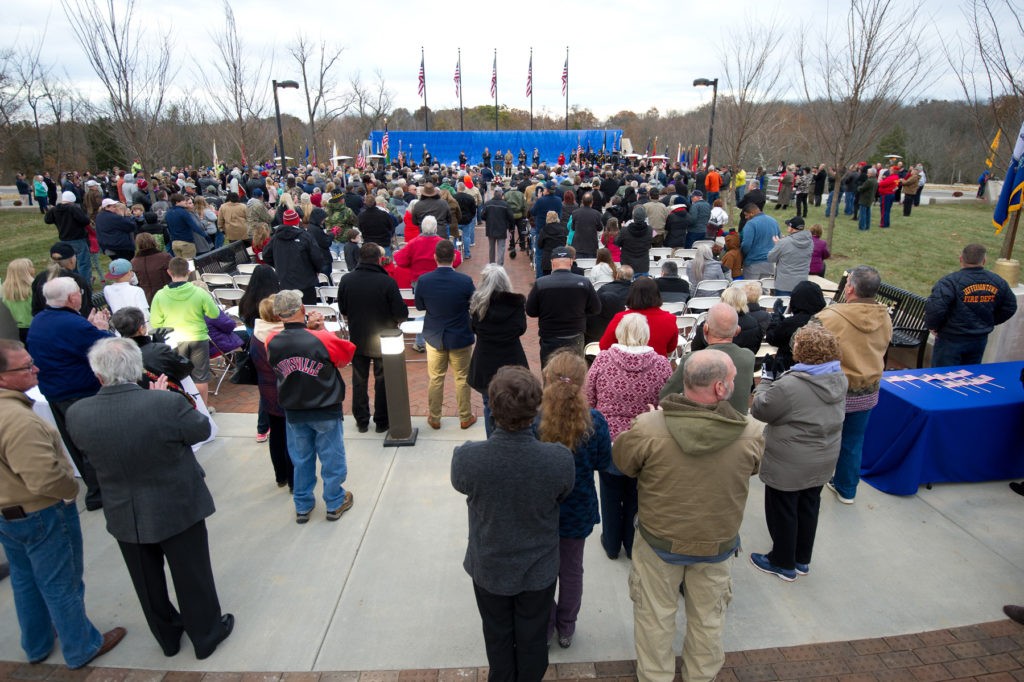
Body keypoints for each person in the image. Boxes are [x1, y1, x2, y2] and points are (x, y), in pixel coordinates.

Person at [66, 338, 233, 660]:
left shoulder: (77, 413)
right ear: (138, 371)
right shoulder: (164, 405)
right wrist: (167, 399)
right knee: (192, 574)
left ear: (98, 375)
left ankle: (168, 637)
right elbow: (201, 430)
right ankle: (206, 634)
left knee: (146, 581)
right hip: (177, 504)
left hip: (123, 509)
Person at [614, 349, 764, 682]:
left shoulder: (650, 426)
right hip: (717, 543)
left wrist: (646, 427)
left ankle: (656, 677)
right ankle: (701, 675)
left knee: (655, 618)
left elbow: (624, 462)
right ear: (721, 389)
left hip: (658, 542)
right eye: (733, 380)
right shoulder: (750, 433)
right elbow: (753, 468)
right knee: (709, 619)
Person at [0, 339, 126, 669]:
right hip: (40, 512)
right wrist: (70, 488)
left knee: (25, 579)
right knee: (62, 582)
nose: (36, 368)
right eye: (26, 366)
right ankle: (81, 645)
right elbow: (43, 477)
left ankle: (37, 643)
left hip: (8, 515)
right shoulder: (17, 420)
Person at [450, 366, 575, 682]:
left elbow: (461, 484)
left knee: (497, 634)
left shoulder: (467, 458)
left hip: (490, 567)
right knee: (533, 639)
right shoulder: (558, 459)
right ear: (535, 410)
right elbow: (563, 493)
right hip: (538, 570)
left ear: (492, 408)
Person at [748, 325, 848, 581]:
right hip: (823, 457)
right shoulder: (839, 378)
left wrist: (766, 382)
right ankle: (802, 559)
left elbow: (761, 410)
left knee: (783, 509)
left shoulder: (790, 385)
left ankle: (782, 562)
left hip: (790, 460)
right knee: (809, 506)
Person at [536, 350, 611, 649]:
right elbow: (603, 462)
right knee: (571, 571)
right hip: (577, 510)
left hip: (541, 511)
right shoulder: (594, 421)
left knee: (541, 574)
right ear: (582, 382)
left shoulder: (533, 420)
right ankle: (566, 627)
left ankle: (545, 626)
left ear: (547, 377)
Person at [587, 314, 673, 562]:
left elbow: (589, 400)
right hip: (645, 439)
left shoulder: (602, 360)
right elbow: (665, 403)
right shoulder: (661, 364)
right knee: (638, 494)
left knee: (610, 492)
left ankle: (611, 543)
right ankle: (631, 540)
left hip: (610, 440)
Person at [266, 290, 356, 524]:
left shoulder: (270, 341)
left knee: (301, 459)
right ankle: (335, 502)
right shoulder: (321, 339)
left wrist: (312, 331)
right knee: (332, 458)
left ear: (278, 314)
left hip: (294, 410)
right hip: (324, 406)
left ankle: (303, 506)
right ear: (303, 310)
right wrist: (320, 330)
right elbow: (345, 356)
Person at [26, 277, 112, 511]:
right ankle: (100, 493)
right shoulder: (72, 325)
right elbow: (109, 348)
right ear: (72, 298)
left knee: (76, 443)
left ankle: (96, 488)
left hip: (55, 392)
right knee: (91, 443)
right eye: (79, 293)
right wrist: (101, 330)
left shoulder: (40, 320)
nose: (81, 296)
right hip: (80, 392)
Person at [814, 265, 893, 504]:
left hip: (833, 390)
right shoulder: (885, 317)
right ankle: (847, 488)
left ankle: (810, 487)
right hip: (867, 389)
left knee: (819, 439)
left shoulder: (830, 317)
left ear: (850, 288)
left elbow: (805, 343)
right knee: (853, 442)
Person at [336, 243, 408, 434]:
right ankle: (382, 421)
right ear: (378, 259)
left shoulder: (347, 280)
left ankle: (362, 421)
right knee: (381, 380)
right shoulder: (386, 282)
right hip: (382, 339)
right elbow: (401, 313)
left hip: (358, 337)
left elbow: (343, 309)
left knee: (359, 380)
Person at [415, 239, 477, 430]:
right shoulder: (465, 281)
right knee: (462, 377)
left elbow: (419, 306)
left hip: (435, 336)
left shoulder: (424, 281)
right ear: (455, 257)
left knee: (436, 378)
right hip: (459, 336)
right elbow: (472, 305)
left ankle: (435, 417)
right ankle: (465, 416)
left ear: (435, 257)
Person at [924, 243, 1018, 367]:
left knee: (942, 379)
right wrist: (989, 321)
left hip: (950, 340)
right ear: (984, 261)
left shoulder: (949, 282)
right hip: (978, 339)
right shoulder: (998, 282)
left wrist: (933, 326)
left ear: (961, 259)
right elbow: (1010, 306)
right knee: (969, 378)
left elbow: (935, 308)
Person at [661, 302, 756, 415]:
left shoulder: (692, 359)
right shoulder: (748, 357)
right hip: (740, 425)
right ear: (737, 330)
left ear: (705, 329)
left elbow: (665, 396)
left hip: (703, 426)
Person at [150, 257, 220, 407]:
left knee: (178, 377)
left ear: (169, 272)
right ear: (189, 272)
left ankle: (184, 408)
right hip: (197, 337)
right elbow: (214, 314)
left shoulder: (160, 295)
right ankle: (203, 409)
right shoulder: (199, 293)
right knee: (200, 377)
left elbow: (156, 323)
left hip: (174, 340)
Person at [468, 264, 528, 437]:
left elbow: (473, 328)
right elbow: (521, 329)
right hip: (511, 358)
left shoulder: (477, 303)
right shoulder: (516, 303)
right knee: (515, 402)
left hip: (485, 361)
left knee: (489, 404)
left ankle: (492, 440)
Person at [527, 245, 601, 366]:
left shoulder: (541, 283)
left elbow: (531, 311)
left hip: (550, 336)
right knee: (574, 374)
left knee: (550, 374)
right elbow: (596, 308)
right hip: (575, 335)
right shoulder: (584, 282)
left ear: (552, 263)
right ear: (571, 262)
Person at [249, 296, 293, 489]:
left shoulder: (256, 334)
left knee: (276, 435)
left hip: (267, 392)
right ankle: (294, 480)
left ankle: (281, 476)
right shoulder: (284, 336)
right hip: (289, 393)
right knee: (293, 439)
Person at [598, 278, 678, 357]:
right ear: (657, 294)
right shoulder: (670, 319)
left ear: (632, 294)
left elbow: (604, 346)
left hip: (624, 366)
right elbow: (670, 348)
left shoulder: (621, 317)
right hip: (656, 367)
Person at [263, 208, 325, 305]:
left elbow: (316, 257)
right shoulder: (304, 236)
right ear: (297, 221)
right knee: (306, 310)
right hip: (304, 282)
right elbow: (317, 257)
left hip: (287, 281)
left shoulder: (277, 238)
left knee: (290, 311)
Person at [44, 191, 92, 283]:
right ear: (72, 200)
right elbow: (85, 220)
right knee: (83, 263)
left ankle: (73, 281)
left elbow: (47, 220)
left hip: (64, 239)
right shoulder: (73, 208)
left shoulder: (55, 209)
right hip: (78, 239)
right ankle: (85, 284)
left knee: (69, 263)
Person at [768, 216, 813, 295]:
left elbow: (771, 258)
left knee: (781, 307)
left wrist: (778, 245)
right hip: (801, 284)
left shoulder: (784, 242)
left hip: (784, 285)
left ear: (792, 227)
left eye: (788, 225)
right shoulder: (810, 242)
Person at [740, 201, 781, 279]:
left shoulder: (751, 224)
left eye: (746, 215)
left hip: (753, 263)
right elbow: (779, 240)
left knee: (750, 289)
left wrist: (743, 255)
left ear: (751, 213)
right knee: (764, 288)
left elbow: (746, 244)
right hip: (769, 263)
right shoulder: (773, 221)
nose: (745, 218)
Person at [165, 194, 209, 259]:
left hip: (175, 243)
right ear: (177, 202)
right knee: (190, 265)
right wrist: (205, 236)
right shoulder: (184, 212)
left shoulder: (168, 213)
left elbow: (168, 227)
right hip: (186, 242)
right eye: (183, 200)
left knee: (180, 264)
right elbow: (194, 226)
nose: (185, 202)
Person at [132, 232, 172, 304]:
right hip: (166, 296)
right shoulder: (165, 257)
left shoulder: (134, 262)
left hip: (146, 298)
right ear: (153, 241)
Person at [2, 258, 35, 342]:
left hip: (13, 330)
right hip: (33, 327)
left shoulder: (4, 291)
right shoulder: (34, 289)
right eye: (31, 267)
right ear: (26, 272)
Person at [480, 188, 514, 265]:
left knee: (491, 247)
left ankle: (492, 263)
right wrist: (511, 227)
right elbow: (511, 217)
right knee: (501, 248)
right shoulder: (505, 204)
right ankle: (500, 265)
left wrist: (488, 219)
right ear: (501, 195)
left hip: (490, 228)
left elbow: (482, 216)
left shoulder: (488, 203)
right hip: (502, 228)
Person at [616, 206, 653, 276]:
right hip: (642, 265)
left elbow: (617, 242)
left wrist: (622, 229)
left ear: (633, 217)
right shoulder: (650, 230)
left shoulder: (625, 230)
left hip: (628, 265)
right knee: (642, 286)